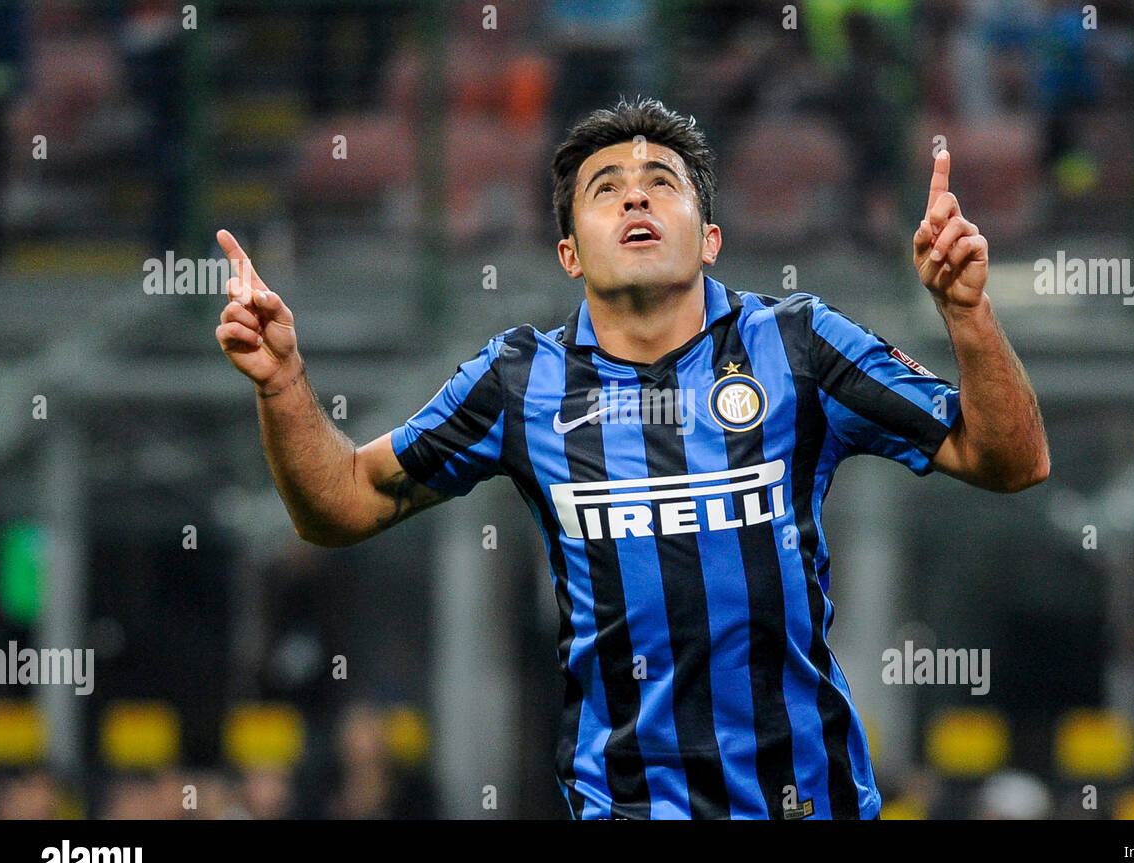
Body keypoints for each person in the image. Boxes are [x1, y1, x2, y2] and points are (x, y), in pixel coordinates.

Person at [214, 97, 1049, 820]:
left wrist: (966, 312)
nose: (635, 196)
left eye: (663, 184)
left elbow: (1010, 460)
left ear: (711, 238)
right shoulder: (519, 381)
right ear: (571, 253)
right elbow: (341, 505)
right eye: (604, 189)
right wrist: (282, 383)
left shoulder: (799, 346)